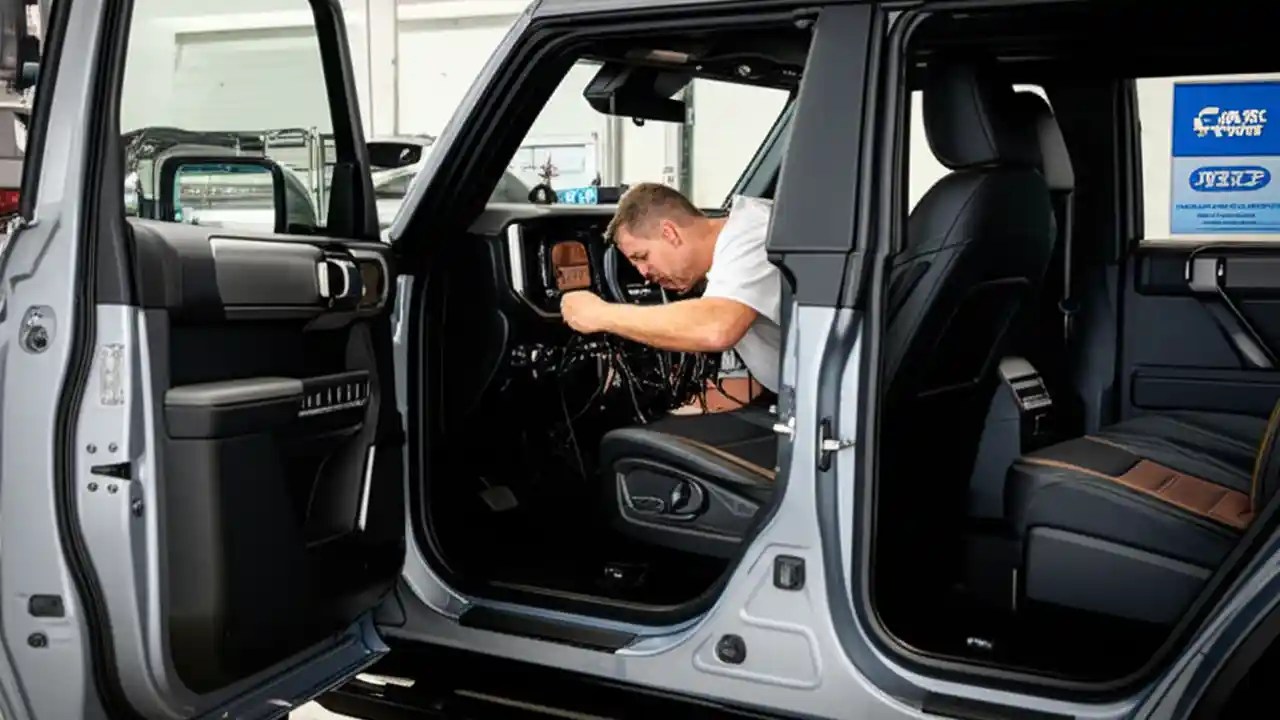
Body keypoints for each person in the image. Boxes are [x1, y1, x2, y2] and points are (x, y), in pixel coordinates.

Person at [559, 182, 782, 394]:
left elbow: (716, 328)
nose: (644, 274)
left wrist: (599, 314)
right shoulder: (742, 235)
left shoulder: (752, 234)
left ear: (669, 233)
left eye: (642, 256)